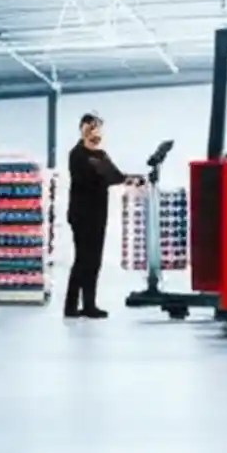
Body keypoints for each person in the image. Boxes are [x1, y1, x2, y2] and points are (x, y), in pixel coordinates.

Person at [65, 113, 141, 319]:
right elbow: (93, 177)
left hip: (98, 213)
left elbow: (114, 175)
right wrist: (106, 174)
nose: (94, 131)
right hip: (81, 214)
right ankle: (71, 306)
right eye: (91, 127)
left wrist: (134, 179)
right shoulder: (77, 154)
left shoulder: (101, 154)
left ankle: (89, 304)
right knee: (82, 259)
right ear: (82, 128)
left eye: (97, 127)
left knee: (94, 260)